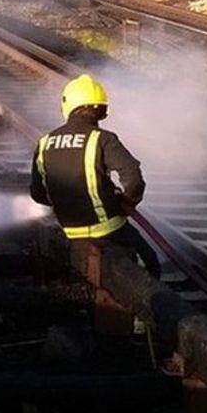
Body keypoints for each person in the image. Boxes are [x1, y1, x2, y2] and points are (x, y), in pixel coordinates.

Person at [30, 74, 159, 277]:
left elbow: (38, 193)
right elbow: (133, 177)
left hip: (70, 231)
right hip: (109, 230)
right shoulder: (103, 139)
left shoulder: (45, 142)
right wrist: (126, 202)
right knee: (150, 264)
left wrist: (66, 202)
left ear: (68, 106)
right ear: (101, 111)